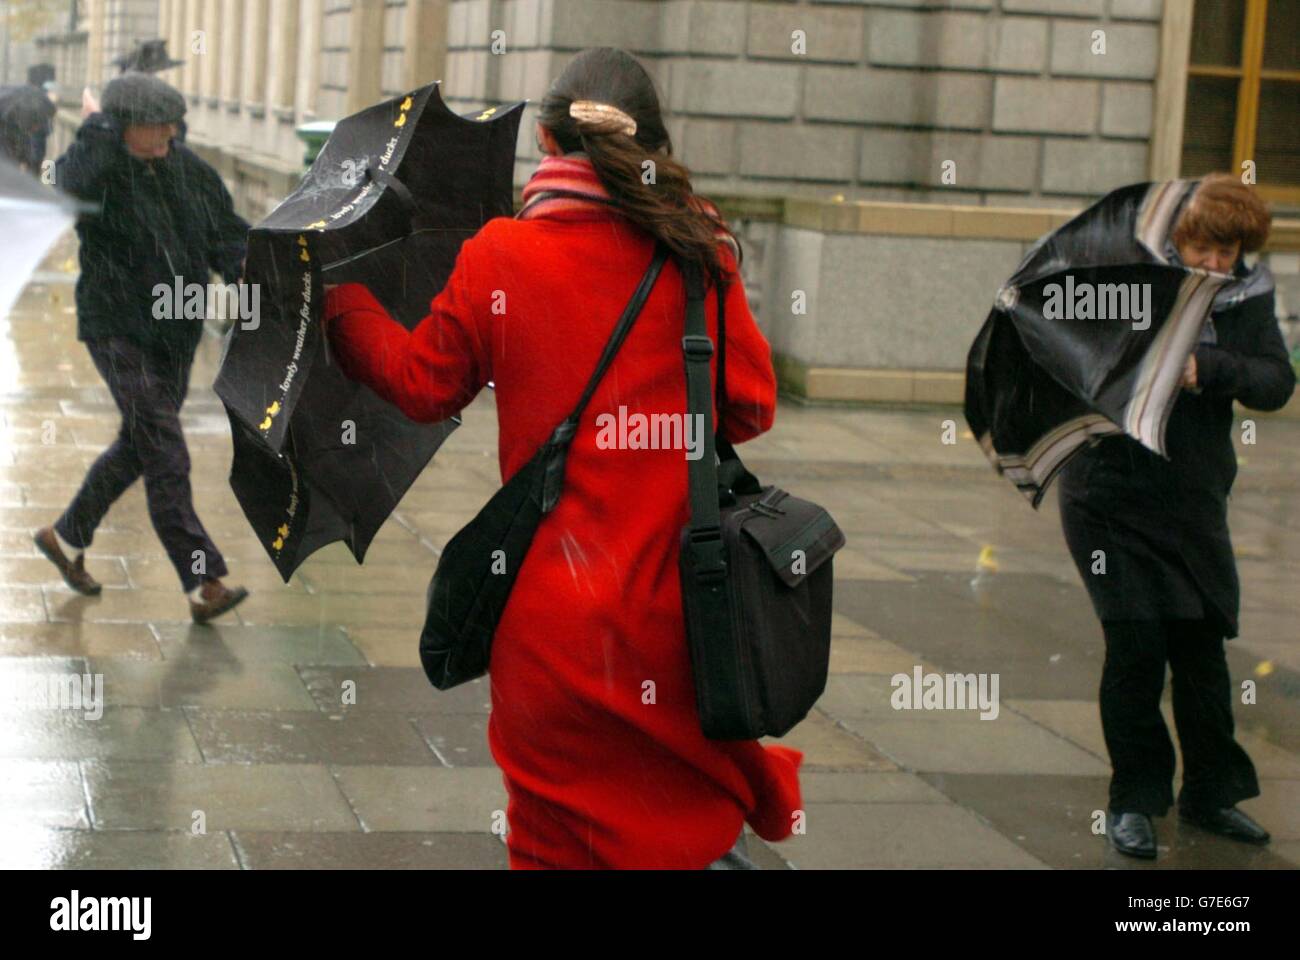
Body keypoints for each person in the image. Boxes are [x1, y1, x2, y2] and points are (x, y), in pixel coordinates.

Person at [322, 47, 802, 869]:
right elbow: (751, 404)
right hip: (680, 621)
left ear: (545, 145)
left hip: (549, 629)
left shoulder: (501, 256)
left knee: (557, 845)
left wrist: (342, 302)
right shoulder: (699, 249)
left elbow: (420, 384)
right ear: (651, 145)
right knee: (674, 830)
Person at [1056, 173, 1295, 859]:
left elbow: (1276, 381)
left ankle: (1211, 792)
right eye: (1208, 249)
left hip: (1192, 499)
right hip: (1110, 496)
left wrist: (1208, 366)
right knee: (1137, 645)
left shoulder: (1246, 293)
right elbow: (1075, 363)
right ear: (1180, 235)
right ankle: (1133, 800)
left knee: (1200, 647)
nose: (1219, 265)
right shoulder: (1125, 279)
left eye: (1231, 253)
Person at [33, 73, 250, 624]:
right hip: (116, 328)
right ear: (122, 128)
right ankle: (203, 580)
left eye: (173, 125)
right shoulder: (98, 170)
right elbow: (63, 187)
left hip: (176, 328)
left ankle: (65, 534)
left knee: (140, 443)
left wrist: (262, 279)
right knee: (165, 448)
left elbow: (227, 235)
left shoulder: (190, 169)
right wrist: (97, 132)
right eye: (154, 127)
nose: (167, 135)